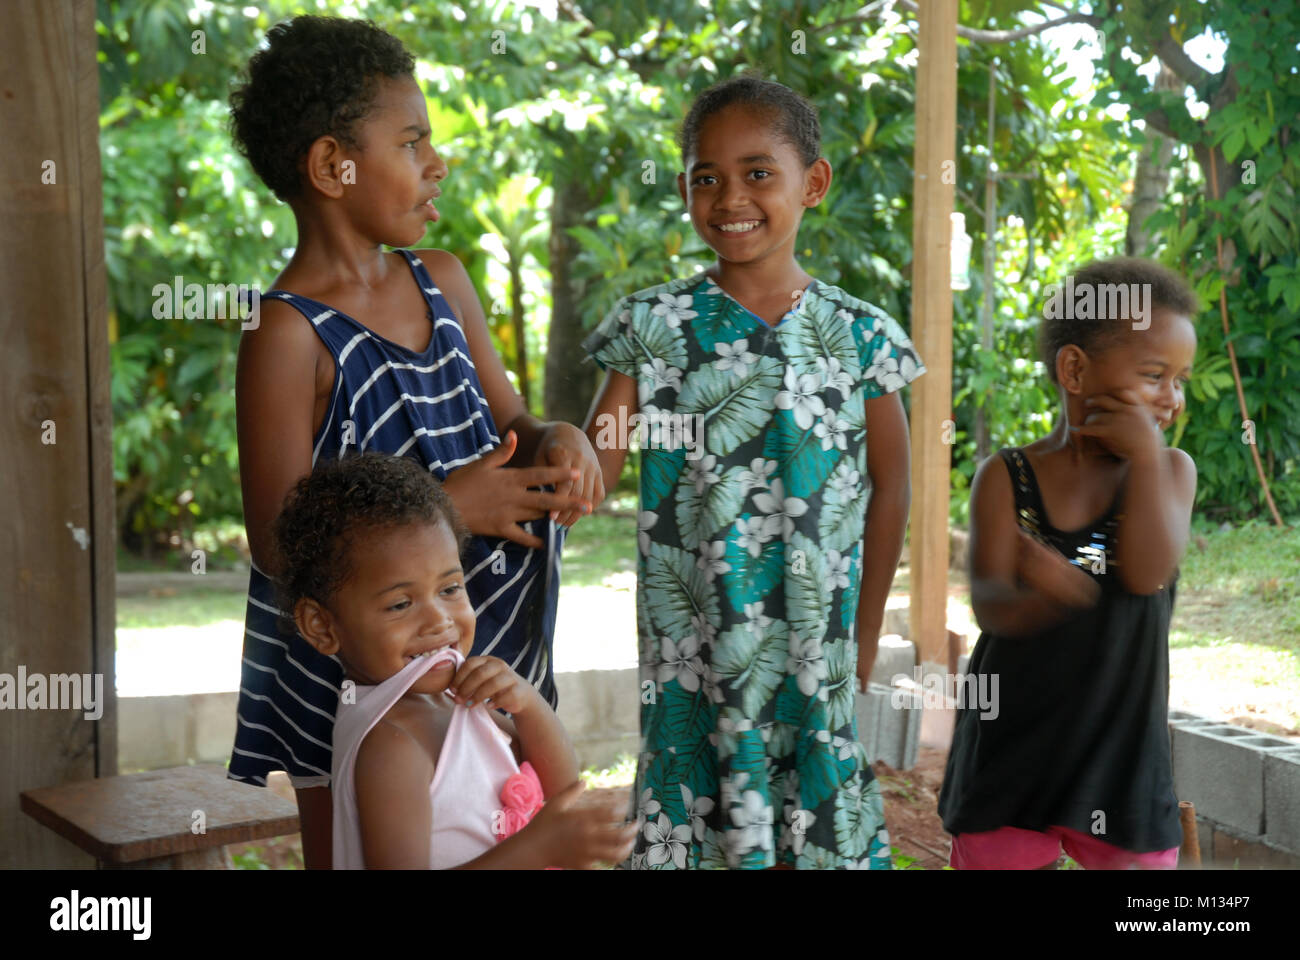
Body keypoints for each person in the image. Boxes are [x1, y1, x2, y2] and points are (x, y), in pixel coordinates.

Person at [225, 15, 603, 868]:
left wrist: (563, 436)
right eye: (413, 142)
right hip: (354, 655)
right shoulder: (287, 336)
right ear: (333, 166)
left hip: (472, 624)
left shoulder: (444, 281)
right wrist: (451, 507)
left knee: (499, 819)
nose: (438, 162)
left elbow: (518, 423)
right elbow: (275, 543)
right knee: (362, 841)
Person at [582, 73, 924, 869]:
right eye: (708, 177)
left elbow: (892, 489)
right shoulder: (649, 326)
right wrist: (553, 453)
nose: (730, 196)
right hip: (692, 657)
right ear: (684, 191)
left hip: (815, 652)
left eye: (757, 172)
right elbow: (593, 461)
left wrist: (865, 634)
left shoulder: (861, 335)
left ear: (814, 182)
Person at [938, 257, 1200, 869]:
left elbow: (1146, 572)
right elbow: (990, 604)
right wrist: (1041, 596)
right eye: (1155, 375)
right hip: (1013, 754)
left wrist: (1144, 454)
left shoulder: (1171, 472)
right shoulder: (1005, 476)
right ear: (1076, 369)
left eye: (1180, 379)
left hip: (1121, 756)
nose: (1172, 398)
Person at [270, 453, 636, 869]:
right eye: (401, 604)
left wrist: (528, 704)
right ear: (321, 626)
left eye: (449, 589)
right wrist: (534, 851)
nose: (439, 620)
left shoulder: (455, 698)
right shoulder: (391, 745)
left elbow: (562, 784)